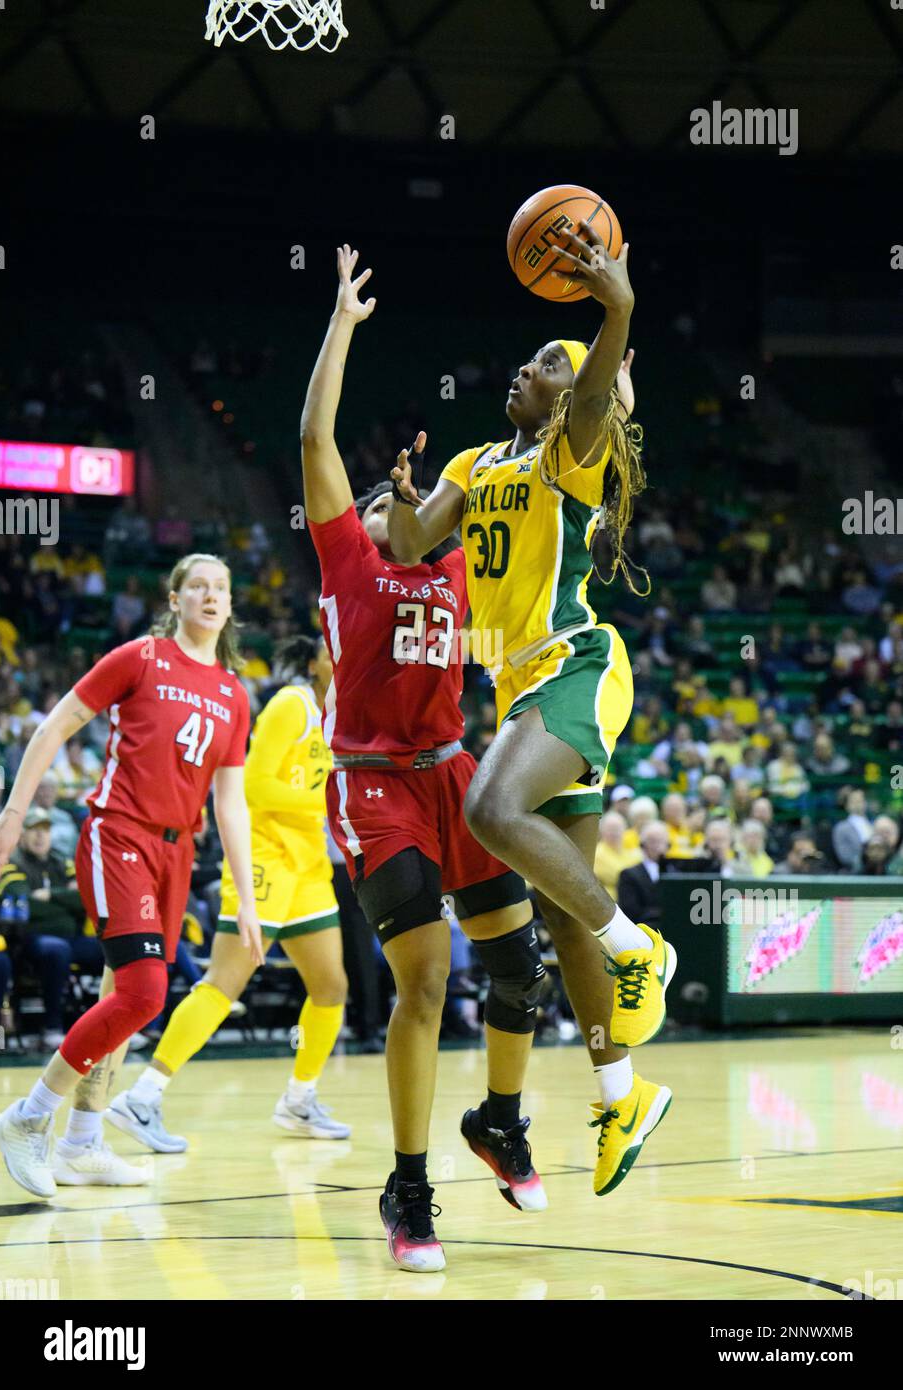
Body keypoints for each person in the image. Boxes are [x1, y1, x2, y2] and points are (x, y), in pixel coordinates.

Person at [387, 229, 676, 1196]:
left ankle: (642, 946)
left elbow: (594, 394)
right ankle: (620, 1092)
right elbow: (413, 540)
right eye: (527, 357)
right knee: (557, 910)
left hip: (577, 666)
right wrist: (397, 502)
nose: (530, 366)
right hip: (520, 690)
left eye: (549, 361)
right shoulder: (474, 460)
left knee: (489, 814)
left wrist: (616, 309)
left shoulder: (568, 452)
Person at [299, 246, 548, 1273]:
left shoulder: (451, 559)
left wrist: (588, 400)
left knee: (519, 972)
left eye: (394, 499)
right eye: (368, 501)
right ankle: (408, 1185)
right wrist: (345, 324)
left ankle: (498, 1117)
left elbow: (518, 489)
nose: (380, 505)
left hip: (454, 771)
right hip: (371, 782)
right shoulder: (350, 559)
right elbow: (313, 434)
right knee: (428, 979)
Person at [0, 554, 262, 1199]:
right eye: (197, 584)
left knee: (126, 997)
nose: (210, 595)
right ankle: (25, 1118)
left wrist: (247, 898)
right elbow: (56, 725)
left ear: (228, 606)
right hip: (119, 835)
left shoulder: (233, 692)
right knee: (143, 992)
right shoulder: (139, 658)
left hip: (177, 854)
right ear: (175, 598)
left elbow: (230, 803)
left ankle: (81, 1143)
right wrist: (12, 812)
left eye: (220, 587)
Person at [108, 633, 353, 1151]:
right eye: (332, 649)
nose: (344, 657)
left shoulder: (345, 717)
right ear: (313, 661)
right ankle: (143, 1095)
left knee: (331, 987)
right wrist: (329, 802)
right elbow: (255, 787)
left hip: (308, 866)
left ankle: (299, 1099)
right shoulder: (292, 704)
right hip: (263, 861)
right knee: (224, 983)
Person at [0, 808, 102, 1049]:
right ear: (22, 835)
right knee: (56, 950)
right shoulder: (11, 863)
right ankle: (52, 1026)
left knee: (109, 950)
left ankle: (103, 1027)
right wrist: (65, 898)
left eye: (45, 830)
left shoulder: (62, 861)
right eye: (34, 830)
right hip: (28, 940)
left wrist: (50, 895)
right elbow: (25, 906)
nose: (40, 836)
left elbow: (86, 899)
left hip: (69, 937)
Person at [616, 821, 670, 929]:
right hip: (643, 931)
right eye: (652, 841)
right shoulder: (629, 875)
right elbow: (630, 912)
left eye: (660, 841)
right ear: (642, 844)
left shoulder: (676, 872)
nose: (657, 846)